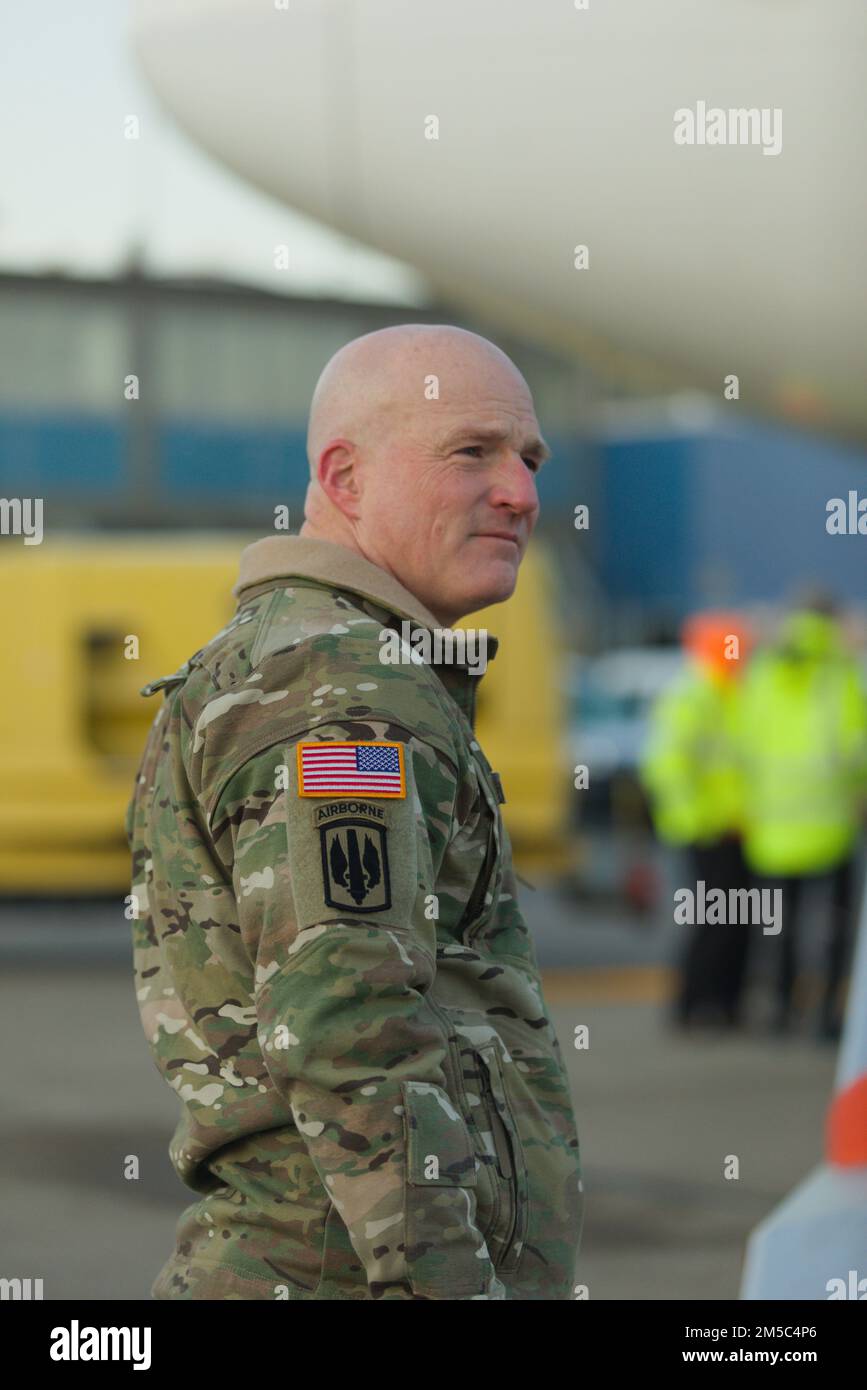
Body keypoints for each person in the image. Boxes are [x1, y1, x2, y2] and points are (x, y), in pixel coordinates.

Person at [125, 323, 584, 1300]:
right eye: (473, 452)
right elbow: (350, 1024)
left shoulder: (295, 660)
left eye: (530, 459)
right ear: (344, 477)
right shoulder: (339, 688)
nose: (523, 493)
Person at [737, 596, 867, 1040]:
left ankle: (781, 1011)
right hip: (831, 824)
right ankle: (829, 1016)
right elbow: (856, 746)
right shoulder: (840, 673)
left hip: (773, 826)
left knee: (778, 928)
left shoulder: (763, 673)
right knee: (835, 926)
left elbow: (745, 743)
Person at [640, 612, 753, 1028]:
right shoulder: (695, 694)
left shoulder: (733, 693)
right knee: (713, 920)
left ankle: (724, 1005)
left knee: (736, 920)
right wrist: (698, 821)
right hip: (707, 832)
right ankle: (693, 1006)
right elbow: (668, 766)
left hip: (739, 830)